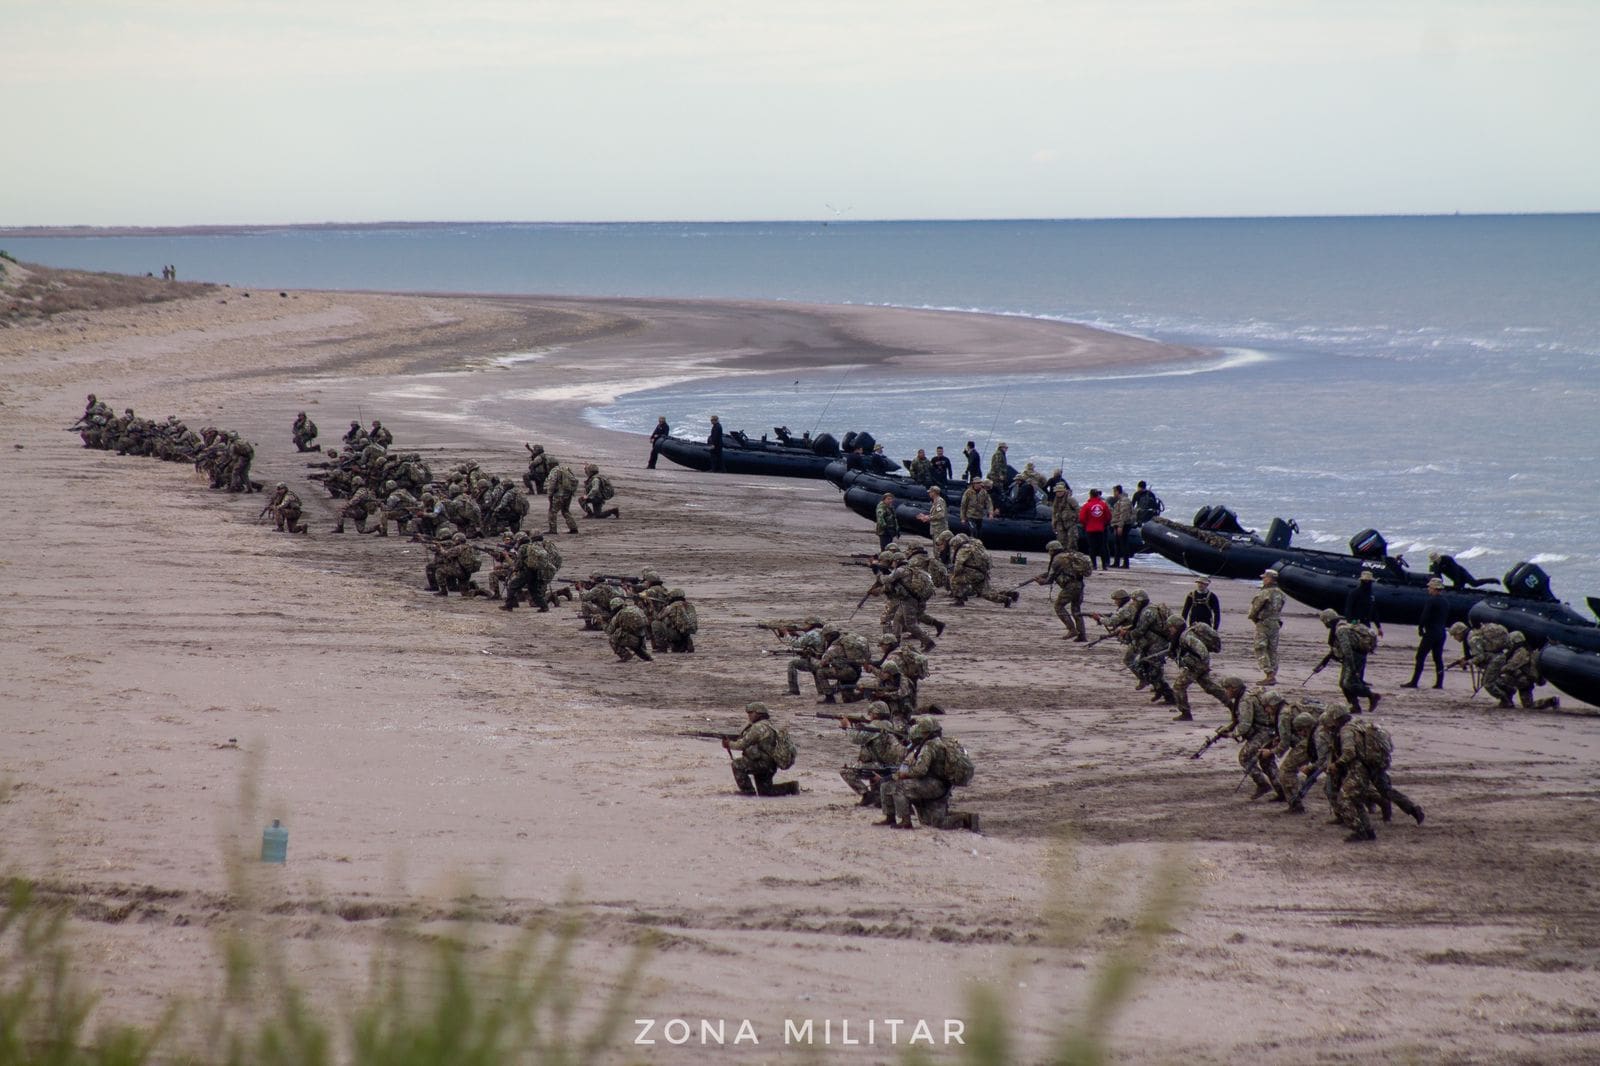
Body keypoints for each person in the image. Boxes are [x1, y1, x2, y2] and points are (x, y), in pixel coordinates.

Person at [878, 716, 979, 831]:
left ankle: (905, 821)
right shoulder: (944, 741)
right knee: (934, 823)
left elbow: (920, 770)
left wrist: (902, 774)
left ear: (925, 731)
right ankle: (966, 819)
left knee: (899, 787)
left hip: (933, 786)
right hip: (943, 787)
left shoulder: (929, 746)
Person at [838, 702, 907, 806]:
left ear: (875, 714)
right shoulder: (890, 724)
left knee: (846, 771)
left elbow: (856, 739)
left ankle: (866, 794)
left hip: (881, 765)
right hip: (893, 765)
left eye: (870, 714)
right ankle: (878, 795)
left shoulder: (874, 726)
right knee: (871, 763)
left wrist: (847, 726)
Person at [722, 702, 799, 796]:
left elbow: (742, 744)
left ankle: (747, 792)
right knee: (766, 792)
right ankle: (791, 787)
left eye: (751, 712)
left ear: (759, 713)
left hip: (762, 764)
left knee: (737, 765)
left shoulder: (758, 728)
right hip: (770, 765)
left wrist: (729, 744)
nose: (749, 715)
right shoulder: (768, 725)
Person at [1322, 609, 1381, 714]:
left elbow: (1347, 649)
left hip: (1355, 656)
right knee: (1343, 683)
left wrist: (1351, 666)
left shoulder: (1340, 630)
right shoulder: (1343, 626)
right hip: (1355, 655)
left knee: (1349, 683)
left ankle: (1371, 695)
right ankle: (1355, 705)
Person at [1032, 540, 1092, 640]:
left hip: (1070, 586)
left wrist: (1040, 581)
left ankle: (1071, 629)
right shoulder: (1069, 555)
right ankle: (1082, 635)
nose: (1049, 553)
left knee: (1058, 606)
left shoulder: (1057, 559)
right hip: (1079, 584)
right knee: (1076, 609)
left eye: (1049, 551)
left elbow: (1049, 580)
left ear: (1052, 550)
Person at [1403, 578, 1449, 689]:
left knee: (1420, 656)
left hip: (1431, 632)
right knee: (1438, 658)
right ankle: (1439, 683)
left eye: (1430, 587)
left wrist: (1420, 627)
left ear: (1434, 588)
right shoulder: (1445, 602)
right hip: (1441, 633)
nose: (1428, 589)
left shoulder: (1431, 601)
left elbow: (1425, 615)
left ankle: (1414, 682)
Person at [1247, 570, 1286, 684]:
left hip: (1264, 623)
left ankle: (1269, 674)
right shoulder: (1281, 593)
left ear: (1270, 579)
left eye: (1265, 578)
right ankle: (1273, 673)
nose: (1263, 579)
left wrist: (1254, 618)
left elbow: (1255, 609)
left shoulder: (1264, 593)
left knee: (1260, 647)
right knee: (1272, 649)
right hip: (1276, 623)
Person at [1078, 489, 1112, 571]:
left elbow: (1081, 518)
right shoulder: (1103, 505)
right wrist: (1104, 524)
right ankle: (1104, 565)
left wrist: (1087, 524)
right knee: (1102, 547)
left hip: (1090, 529)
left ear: (1090, 495)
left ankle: (1094, 565)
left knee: (1092, 548)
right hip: (1101, 529)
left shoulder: (1087, 505)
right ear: (1098, 495)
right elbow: (1108, 517)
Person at [1342, 570, 1382, 635]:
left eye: (1369, 581)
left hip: (1366, 624)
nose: (1368, 583)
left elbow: (1374, 611)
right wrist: (1350, 622)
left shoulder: (1371, 594)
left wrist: (1379, 627)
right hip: (1355, 623)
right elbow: (1348, 608)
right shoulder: (1354, 593)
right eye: (1366, 581)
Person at [1429, 551, 1496, 589]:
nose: (1436, 561)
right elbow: (1438, 576)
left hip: (1461, 574)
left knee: (1474, 584)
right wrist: (1439, 585)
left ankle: (1492, 580)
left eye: (1437, 559)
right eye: (1435, 560)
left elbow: (1456, 570)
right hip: (1454, 577)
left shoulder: (1447, 559)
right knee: (1458, 590)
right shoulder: (1435, 566)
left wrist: (1457, 581)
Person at [1108, 485, 1134, 569]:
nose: (1113, 494)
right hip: (1118, 524)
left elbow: (1124, 514)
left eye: (1114, 492)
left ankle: (1126, 563)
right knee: (1117, 544)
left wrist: (1120, 526)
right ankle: (1116, 562)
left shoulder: (1124, 501)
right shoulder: (1119, 501)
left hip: (1123, 525)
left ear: (1117, 492)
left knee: (1123, 544)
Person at [1050, 483, 1081, 550]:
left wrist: (1076, 519)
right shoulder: (1056, 501)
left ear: (1064, 491)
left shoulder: (1070, 499)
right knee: (1061, 540)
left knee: (1072, 540)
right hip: (1060, 523)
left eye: (1060, 491)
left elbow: (1078, 509)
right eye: (1057, 492)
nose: (1059, 493)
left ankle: (1072, 554)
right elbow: (1054, 513)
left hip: (1070, 523)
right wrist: (1054, 523)